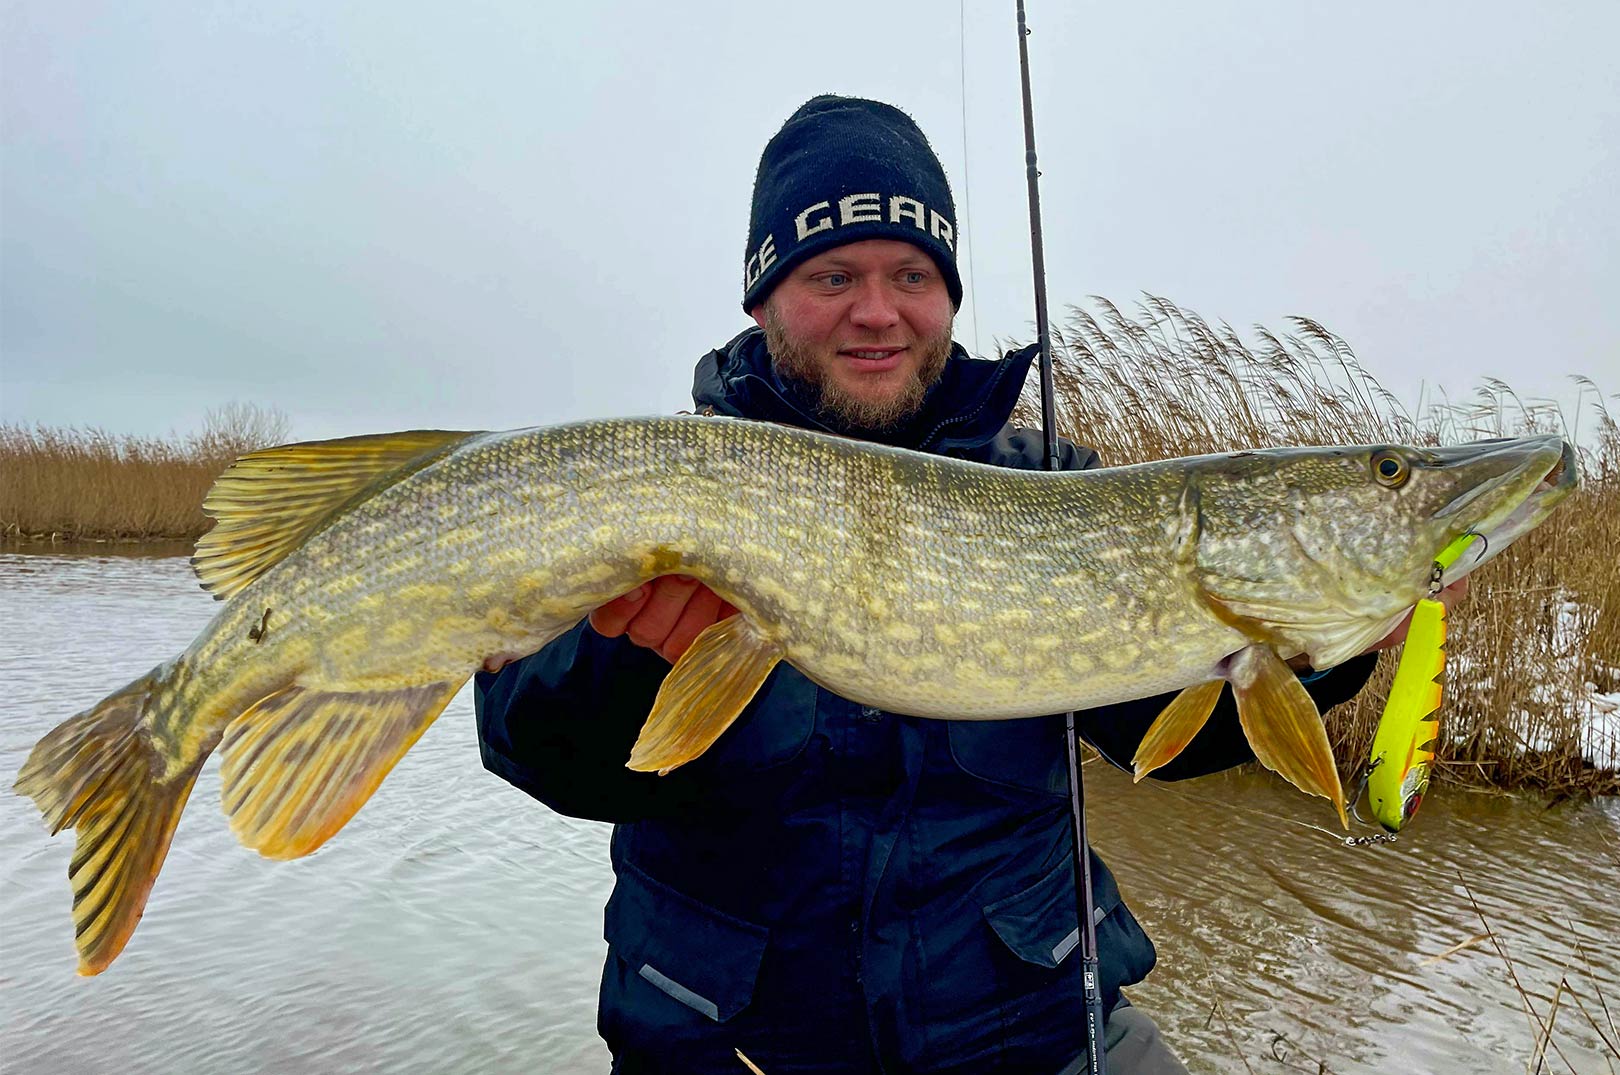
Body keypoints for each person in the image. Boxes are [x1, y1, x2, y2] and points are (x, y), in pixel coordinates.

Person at [475, 96, 1446, 1074]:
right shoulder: (659, 480)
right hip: (731, 1044)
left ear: (947, 299)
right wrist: (630, 658)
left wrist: (1316, 646)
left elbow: (1160, 732)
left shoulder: (1053, 490)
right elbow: (530, 744)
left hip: (1031, 1033)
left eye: (911, 274)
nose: (877, 309)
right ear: (762, 299)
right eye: (832, 275)